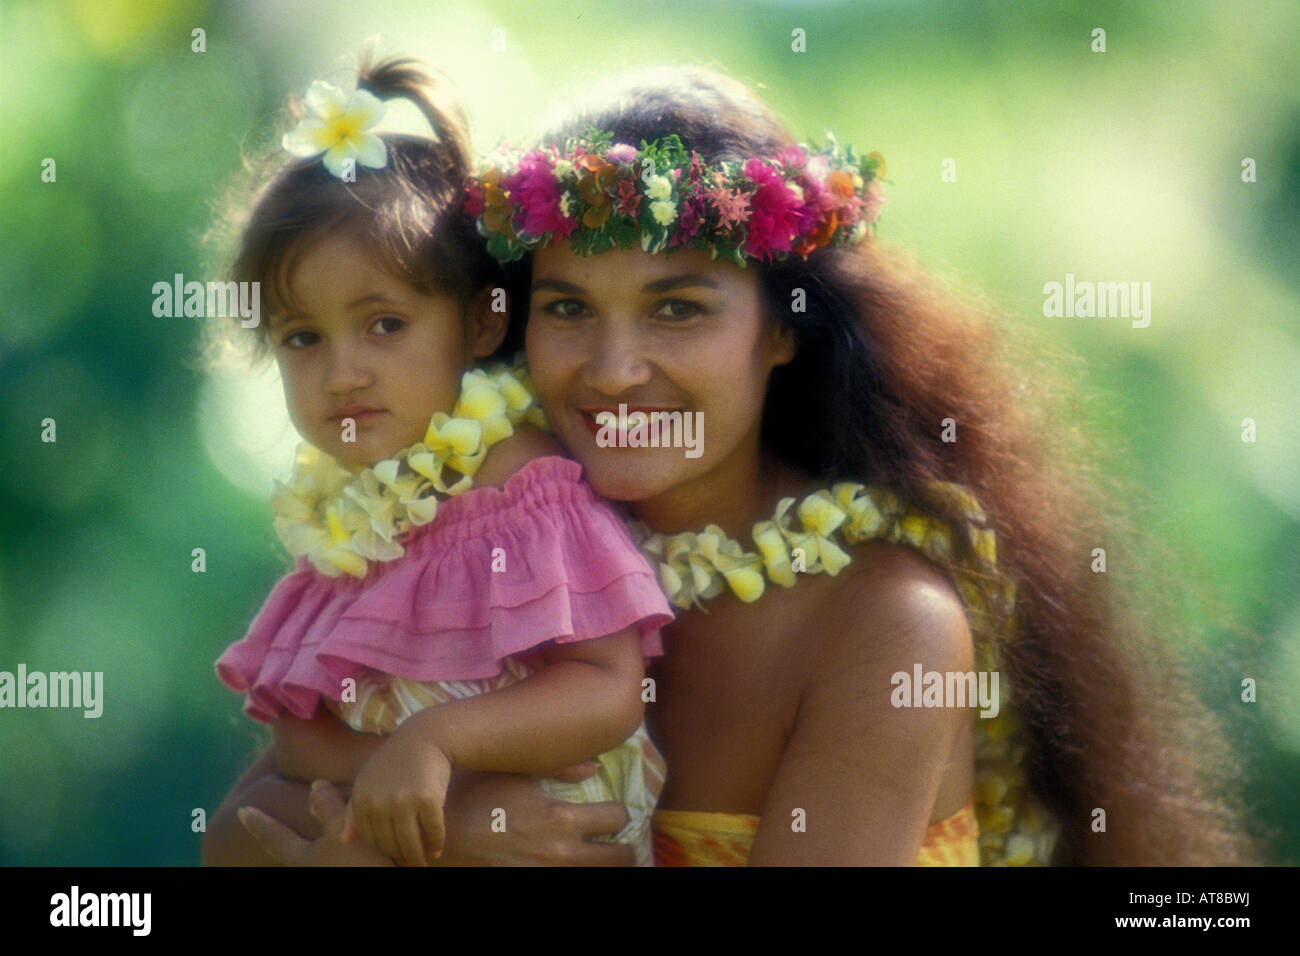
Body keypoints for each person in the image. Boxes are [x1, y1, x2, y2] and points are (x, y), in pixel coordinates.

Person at [208, 65, 1261, 866]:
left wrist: (409, 837)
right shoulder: (482, 532)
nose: (615, 372)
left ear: (783, 330)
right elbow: (235, 830)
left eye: (678, 307)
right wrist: (458, 827)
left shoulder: (886, 620)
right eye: (568, 308)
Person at [203, 55, 673, 868]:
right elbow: (301, 743)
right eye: (302, 338)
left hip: (555, 836)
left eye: (384, 324)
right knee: (244, 840)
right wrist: (403, 782)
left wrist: (435, 743)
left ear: (482, 325)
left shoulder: (521, 491)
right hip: (416, 829)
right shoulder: (350, 523)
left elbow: (607, 683)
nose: (342, 371)